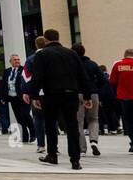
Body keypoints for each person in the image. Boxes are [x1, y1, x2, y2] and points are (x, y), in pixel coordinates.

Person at [29, 29, 93, 169]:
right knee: (72, 125)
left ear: (45, 40)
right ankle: (75, 159)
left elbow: (37, 76)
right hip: (71, 93)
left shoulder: (43, 54)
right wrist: (87, 96)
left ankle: (52, 154)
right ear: (58, 38)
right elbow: (82, 76)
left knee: (50, 124)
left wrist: (34, 95)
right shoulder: (72, 54)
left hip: (51, 94)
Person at [72, 43, 102, 156]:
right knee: (94, 119)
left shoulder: (72, 65)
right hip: (93, 94)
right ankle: (94, 141)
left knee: (78, 122)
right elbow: (103, 80)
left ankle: (82, 148)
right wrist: (95, 87)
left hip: (77, 94)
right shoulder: (92, 64)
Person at [3, 53, 32, 143]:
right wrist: (3, 97)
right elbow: (3, 85)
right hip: (12, 98)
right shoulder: (7, 71)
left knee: (25, 115)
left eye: (18, 59)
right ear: (10, 61)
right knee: (19, 118)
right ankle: (25, 137)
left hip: (23, 97)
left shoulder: (24, 70)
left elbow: (28, 82)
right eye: (15, 60)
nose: (17, 61)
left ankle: (33, 133)